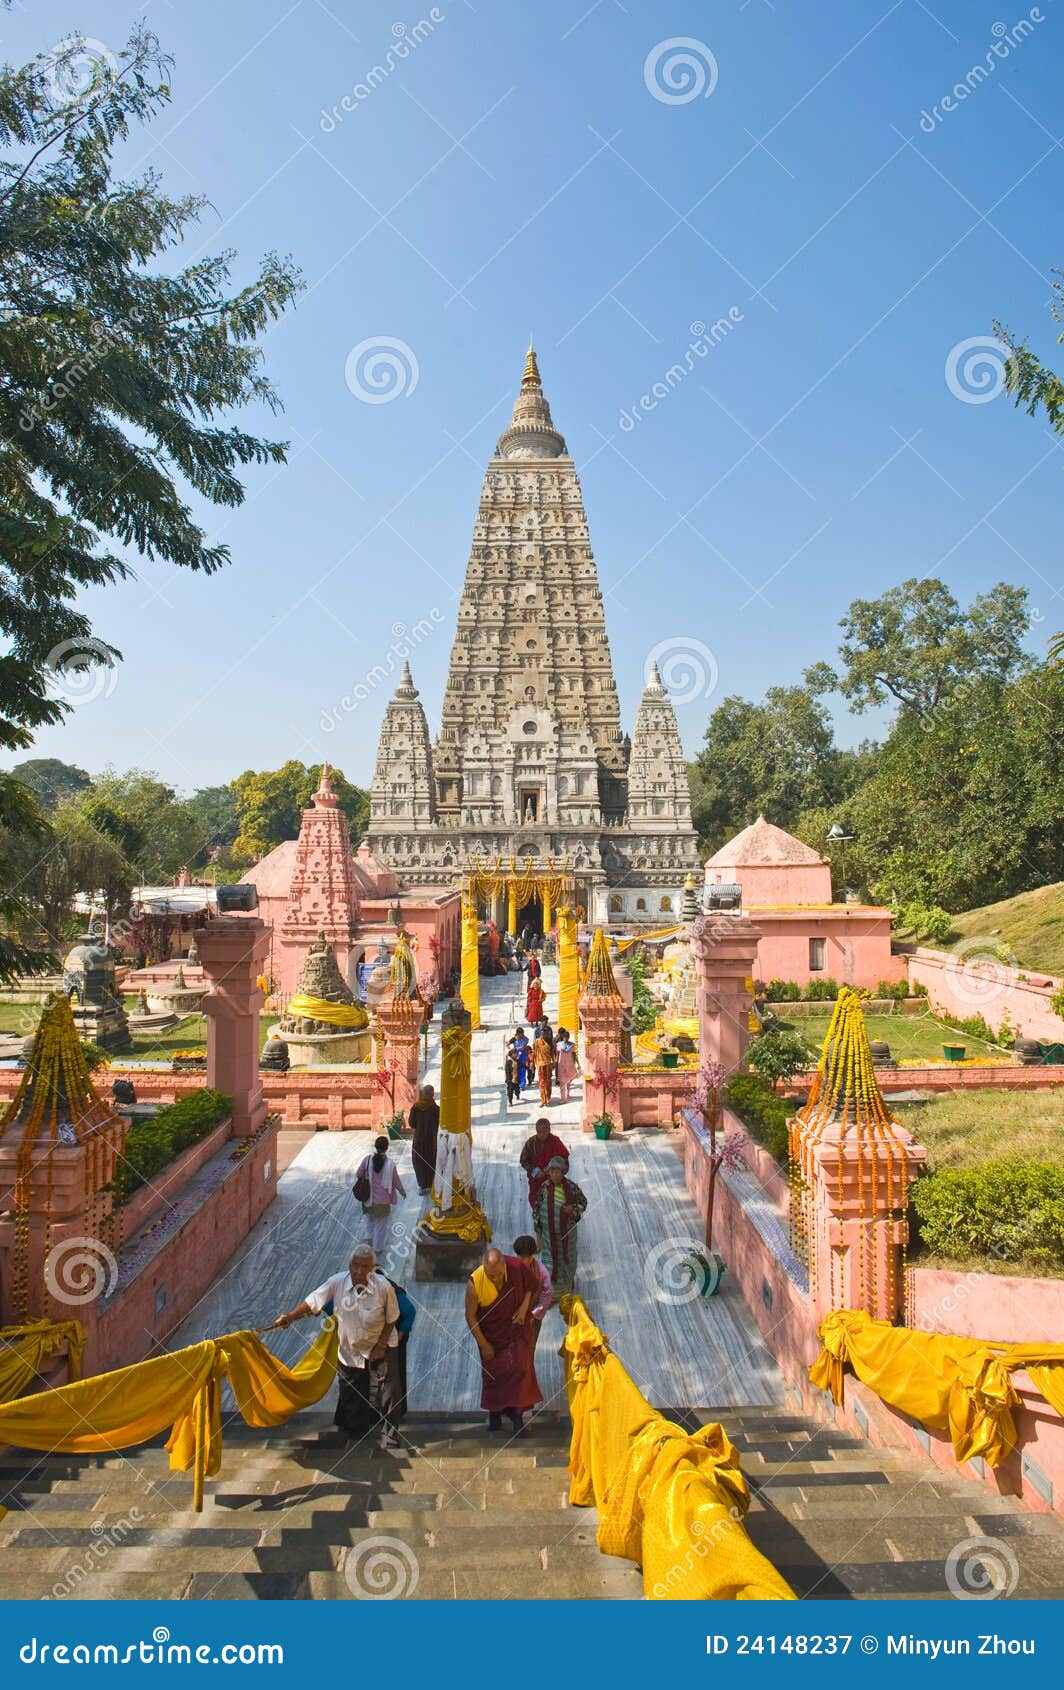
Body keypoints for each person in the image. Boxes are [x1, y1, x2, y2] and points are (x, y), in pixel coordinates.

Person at [277, 1244, 400, 1448]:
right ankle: (356, 1435)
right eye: (355, 1265)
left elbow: (392, 1318)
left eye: (364, 1267)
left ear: (373, 1269)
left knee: (388, 1393)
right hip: (350, 1347)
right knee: (352, 1391)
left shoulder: (384, 1287)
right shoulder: (337, 1282)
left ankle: (390, 1436)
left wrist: (380, 1346)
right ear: (349, 1266)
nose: (358, 1271)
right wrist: (291, 1317)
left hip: (382, 1345)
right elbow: (313, 1301)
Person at [464, 1245, 542, 1436]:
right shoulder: (475, 1283)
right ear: (484, 1268)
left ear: (504, 1265)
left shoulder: (516, 1267)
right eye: (491, 1276)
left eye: (499, 1274)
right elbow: (470, 1316)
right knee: (494, 1375)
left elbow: (532, 1287)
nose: (496, 1279)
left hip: (517, 1331)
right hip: (491, 1336)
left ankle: (517, 1416)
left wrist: (524, 1307)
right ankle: (495, 1414)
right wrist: (483, 1344)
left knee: (521, 1368)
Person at [534, 1157, 588, 1295]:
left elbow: (583, 1203)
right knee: (550, 1261)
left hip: (567, 1235)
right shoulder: (544, 1188)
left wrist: (573, 1209)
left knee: (567, 1259)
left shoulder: (572, 1188)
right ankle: (552, 1291)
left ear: (563, 1172)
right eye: (552, 1172)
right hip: (549, 1236)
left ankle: (567, 1284)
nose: (554, 1175)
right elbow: (537, 1210)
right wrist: (538, 1233)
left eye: (557, 1172)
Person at [355, 1135, 406, 1258]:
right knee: (380, 1226)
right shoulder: (390, 1164)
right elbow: (396, 1181)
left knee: (369, 1221)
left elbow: (358, 1174)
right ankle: (377, 1249)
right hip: (382, 1201)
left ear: (376, 1146)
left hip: (367, 1199)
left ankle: (369, 1241)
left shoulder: (367, 1160)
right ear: (386, 1148)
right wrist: (402, 1192)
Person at [519, 1117, 570, 1209]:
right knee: (537, 1205)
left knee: (555, 1205)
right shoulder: (531, 1143)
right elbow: (524, 1160)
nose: (541, 1134)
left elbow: (565, 1161)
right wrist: (534, 1170)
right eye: (539, 1132)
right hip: (537, 1181)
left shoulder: (555, 1142)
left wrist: (552, 1169)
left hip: (554, 1181)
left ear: (549, 1130)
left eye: (544, 1132)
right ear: (536, 1130)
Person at [513, 1234, 552, 1351]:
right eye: (518, 1256)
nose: (519, 1260)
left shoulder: (542, 1273)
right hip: (513, 1315)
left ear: (531, 1256)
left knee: (529, 1347)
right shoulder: (511, 1268)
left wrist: (534, 1315)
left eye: (523, 1258)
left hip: (532, 1318)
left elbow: (546, 1297)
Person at [407, 1084, 439, 1195]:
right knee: (431, 1161)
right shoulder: (436, 1109)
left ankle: (422, 1185)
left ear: (423, 1094)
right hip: (432, 1141)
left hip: (418, 1140)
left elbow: (412, 1124)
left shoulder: (415, 1107)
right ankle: (431, 1184)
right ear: (432, 1094)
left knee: (419, 1162)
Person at [554, 1027, 580, 1103]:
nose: (566, 1038)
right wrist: (556, 1062)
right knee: (562, 1081)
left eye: (567, 1037)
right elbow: (557, 1054)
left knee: (568, 1080)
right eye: (565, 1037)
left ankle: (567, 1094)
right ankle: (562, 1098)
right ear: (563, 1037)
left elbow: (574, 1054)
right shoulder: (559, 1044)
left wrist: (578, 1063)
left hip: (569, 1064)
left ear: (568, 1037)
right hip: (561, 1064)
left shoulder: (572, 1045)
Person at [532, 1026, 553, 1105]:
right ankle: (542, 1100)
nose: (543, 1035)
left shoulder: (549, 1042)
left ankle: (547, 1098)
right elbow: (534, 1053)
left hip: (548, 1064)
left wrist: (554, 1061)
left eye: (544, 1034)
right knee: (542, 1082)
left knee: (548, 1082)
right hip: (540, 1064)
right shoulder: (537, 1042)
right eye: (541, 1034)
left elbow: (552, 1052)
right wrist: (532, 1063)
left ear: (547, 1034)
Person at [504, 1039, 522, 1107]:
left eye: (517, 1053)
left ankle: (517, 1095)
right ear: (511, 1055)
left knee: (517, 1090)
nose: (516, 1054)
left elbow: (523, 1066)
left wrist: (529, 1068)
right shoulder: (508, 1062)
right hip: (510, 1080)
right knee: (510, 1092)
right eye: (515, 1053)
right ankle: (510, 1102)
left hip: (516, 1079)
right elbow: (507, 1072)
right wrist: (508, 1080)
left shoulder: (518, 1061)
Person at [513, 1026, 531, 1092]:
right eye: (521, 1034)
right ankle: (517, 1083)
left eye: (523, 1034)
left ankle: (522, 1085)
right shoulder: (515, 1039)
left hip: (523, 1056)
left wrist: (517, 1048)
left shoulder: (525, 1039)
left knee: (523, 1070)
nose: (522, 1035)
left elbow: (523, 1047)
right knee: (517, 1070)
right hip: (516, 1056)